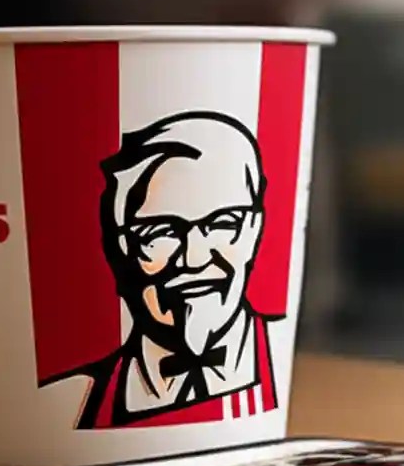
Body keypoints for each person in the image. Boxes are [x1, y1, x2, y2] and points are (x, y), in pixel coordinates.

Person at [40, 111, 279, 429]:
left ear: (253, 230)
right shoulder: (70, 402)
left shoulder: (282, 362)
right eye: (161, 232)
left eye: (223, 223)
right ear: (123, 246)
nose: (194, 259)